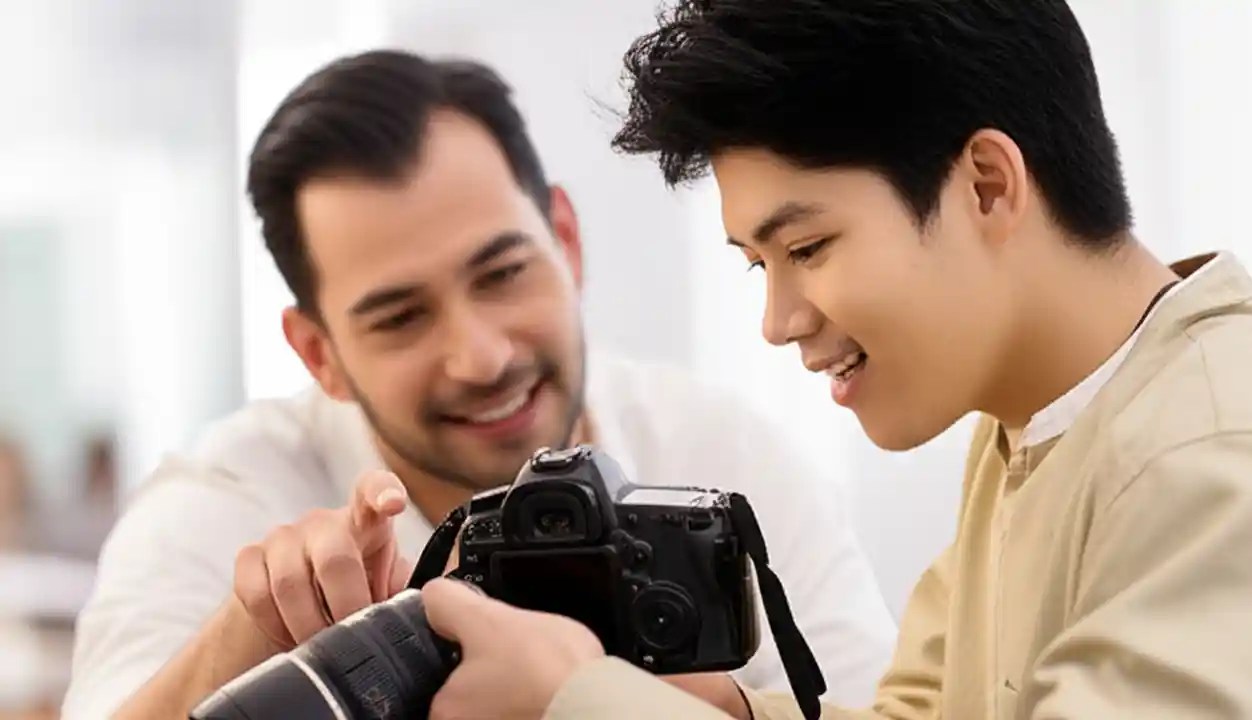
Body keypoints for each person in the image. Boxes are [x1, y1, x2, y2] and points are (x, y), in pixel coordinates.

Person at [405, 1, 1252, 718]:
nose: (778, 322)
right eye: (761, 265)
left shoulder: (1224, 450)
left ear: (986, 184)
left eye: (808, 247)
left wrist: (584, 701)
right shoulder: (1040, 423)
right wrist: (727, 710)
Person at [60, 50, 898, 719]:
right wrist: (250, 646)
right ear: (318, 355)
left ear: (565, 240)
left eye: (502, 274)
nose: (481, 357)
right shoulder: (227, 509)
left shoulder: (724, 454)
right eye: (401, 318)